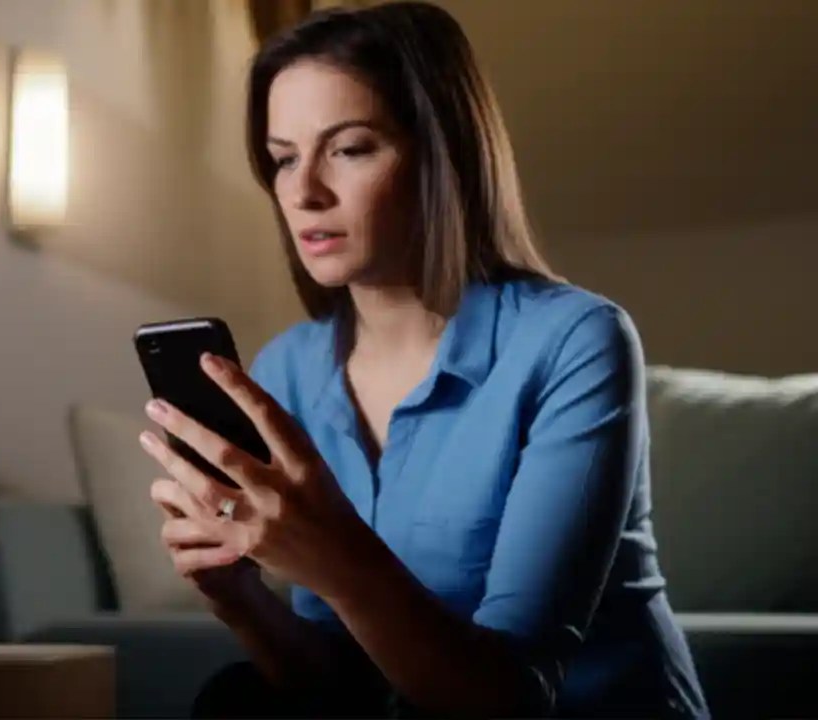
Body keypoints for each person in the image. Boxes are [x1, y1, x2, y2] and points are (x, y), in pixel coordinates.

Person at [136, 2, 708, 717]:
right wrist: (240, 598)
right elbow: (339, 684)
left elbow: (512, 698)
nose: (305, 190)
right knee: (238, 699)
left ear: (441, 154)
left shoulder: (574, 341)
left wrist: (334, 559)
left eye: (349, 148)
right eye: (284, 158)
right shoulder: (287, 370)